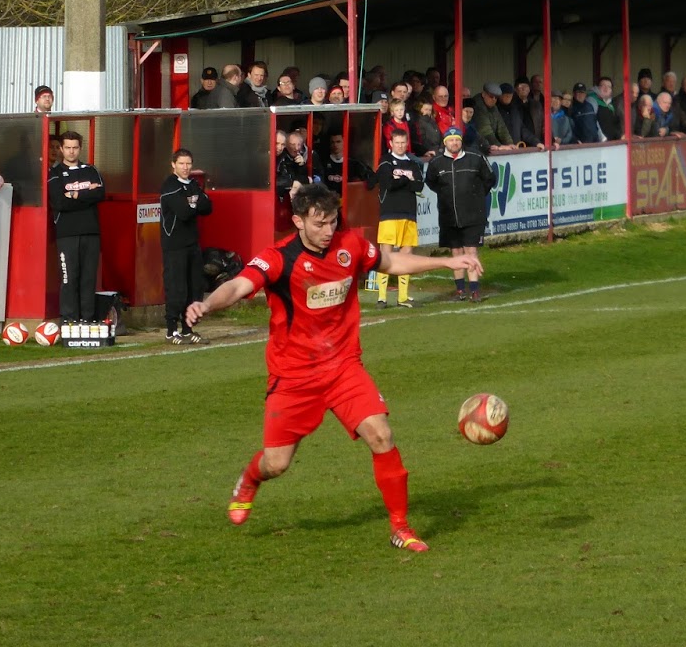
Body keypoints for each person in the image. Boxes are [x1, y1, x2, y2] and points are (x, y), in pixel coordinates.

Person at [187, 183, 480, 552]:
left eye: (332, 221)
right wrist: (207, 305)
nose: (328, 230)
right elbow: (239, 286)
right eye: (320, 223)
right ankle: (249, 479)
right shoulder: (278, 258)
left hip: (343, 366)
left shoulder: (350, 244)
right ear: (298, 221)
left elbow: (390, 263)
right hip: (293, 375)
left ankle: (401, 528)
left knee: (381, 436)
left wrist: (448, 261)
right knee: (276, 464)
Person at [425, 126, 494, 301]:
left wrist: (476, 196)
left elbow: (490, 179)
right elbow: (431, 183)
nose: (454, 143)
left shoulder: (476, 157)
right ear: (445, 142)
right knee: (455, 253)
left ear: (461, 142)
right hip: (449, 216)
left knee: (471, 251)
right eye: (451, 140)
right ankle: (460, 290)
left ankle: (475, 290)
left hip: (473, 215)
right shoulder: (436, 162)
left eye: (457, 140)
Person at [48, 130, 106, 322]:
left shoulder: (91, 170)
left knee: (88, 279)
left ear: (80, 148)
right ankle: (69, 319)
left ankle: (87, 320)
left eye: (75, 148)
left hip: (91, 232)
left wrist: (73, 194)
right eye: (68, 148)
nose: (72, 152)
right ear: (62, 149)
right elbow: (59, 203)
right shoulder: (55, 174)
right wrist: (85, 195)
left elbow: (100, 194)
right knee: (69, 278)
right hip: (67, 234)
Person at [160, 148, 214, 344]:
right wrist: (194, 203)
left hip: (192, 243)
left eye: (188, 164)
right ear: (173, 164)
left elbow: (208, 206)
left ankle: (188, 328)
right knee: (176, 288)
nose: (185, 167)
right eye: (181, 163)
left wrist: (193, 203)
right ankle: (171, 330)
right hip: (174, 244)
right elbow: (183, 212)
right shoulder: (170, 185)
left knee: (194, 287)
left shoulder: (193, 184)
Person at [373, 128, 424, 310]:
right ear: (391, 143)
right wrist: (407, 179)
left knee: (406, 255)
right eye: (397, 142)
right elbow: (389, 184)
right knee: (385, 254)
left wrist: (401, 177)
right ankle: (381, 297)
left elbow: (419, 185)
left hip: (409, 214)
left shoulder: (413, 163)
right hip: (389, 213)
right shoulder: (385, 161)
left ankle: (403, 297)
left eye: (403, 142)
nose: (401, 146)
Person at [472, 83, 516, 155]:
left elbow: (502, 128)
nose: (494, 100)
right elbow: (486, 132)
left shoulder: (493, 107)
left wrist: (510, 144)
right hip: (480, 148)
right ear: (483, 94)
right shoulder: (478, 107)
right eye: (491, 96)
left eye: (496, 98)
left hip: (491, 146)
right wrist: (500, 146)